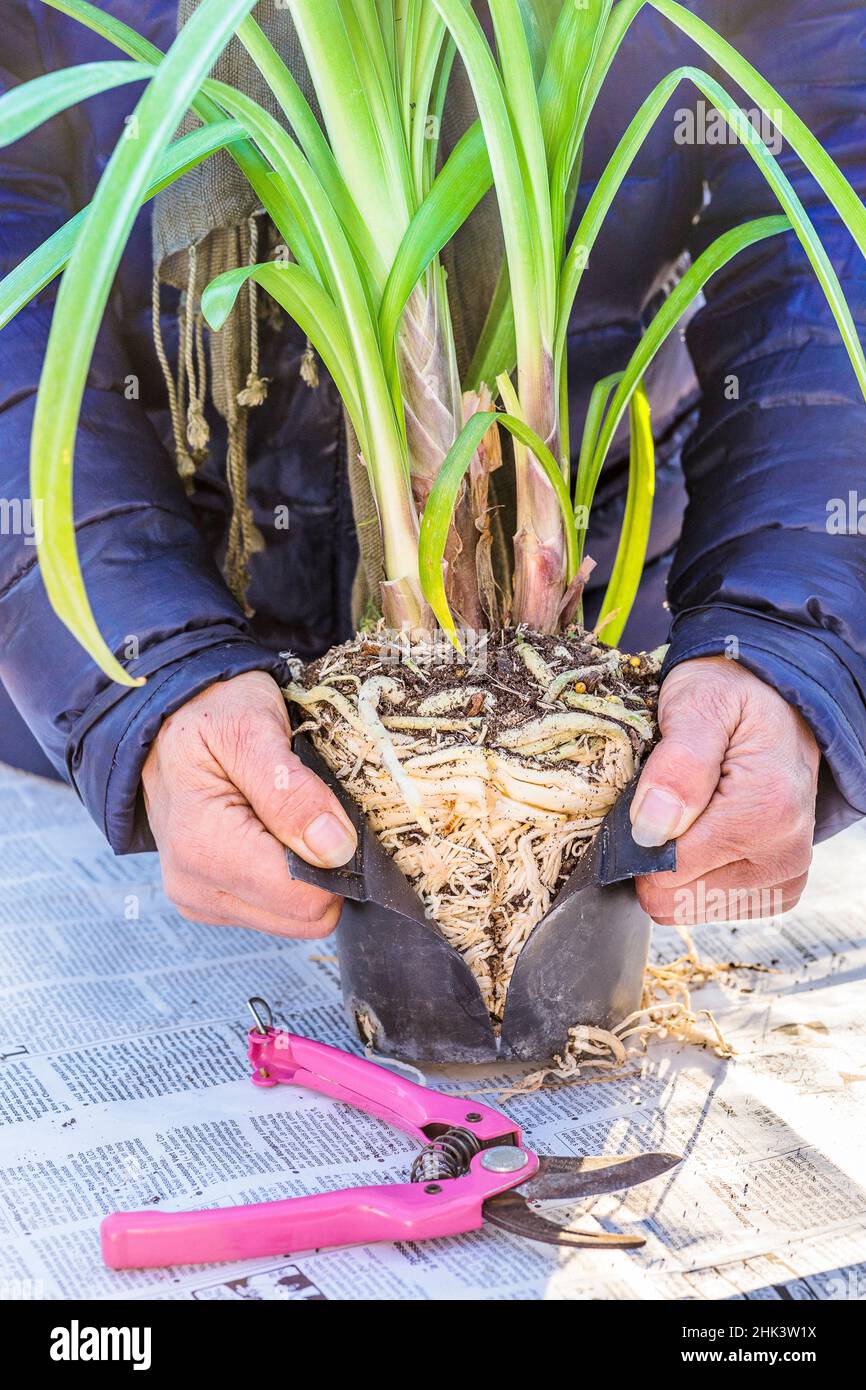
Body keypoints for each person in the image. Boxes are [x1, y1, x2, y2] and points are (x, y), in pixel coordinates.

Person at [1, 0, 863, 937]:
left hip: (630, 654)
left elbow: (824, 174)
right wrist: (147, 673)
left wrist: (784, 633)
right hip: (86, 697)